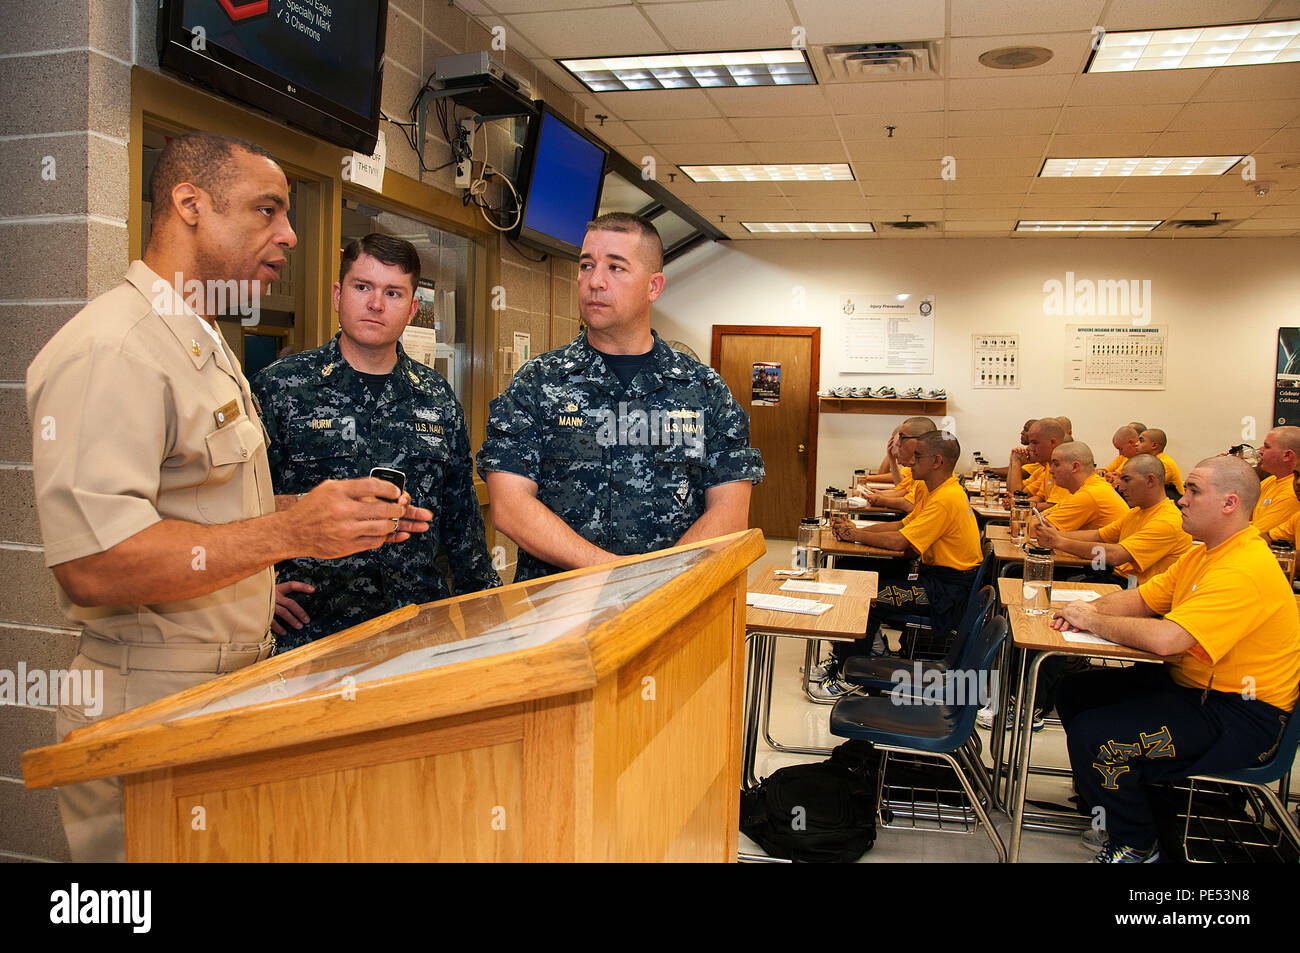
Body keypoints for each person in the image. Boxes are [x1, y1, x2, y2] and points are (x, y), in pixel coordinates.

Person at [25, 131, 431, 862]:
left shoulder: (200, 342)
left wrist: (314, 515)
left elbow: (200, 515)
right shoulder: (116, 349)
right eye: (268, 211)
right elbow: (93, 560)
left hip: (222, 690)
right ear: (190, 204)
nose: (291, 234)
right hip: (148, 703)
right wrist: (287, 534)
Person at [476, 212, 764, 582]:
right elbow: (510, 506)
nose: (595, 281)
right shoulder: (538, 383)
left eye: (616, 267)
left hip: (673, 608)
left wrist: (657, 582)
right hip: (557, 612)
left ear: (653, 286)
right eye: (586, 265)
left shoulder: (703, 390)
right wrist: (613, 573)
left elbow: (730, 510)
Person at [252, 234, 501, 649]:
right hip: (311, 635)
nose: (375, 304)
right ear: (337, 294)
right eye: (362, 287)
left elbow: (463, 528)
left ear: (412, 309)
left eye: (393, 292)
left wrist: (489, 624)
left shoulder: (437, 400)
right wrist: (251, 595)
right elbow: (242, 506)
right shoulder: (281, 388)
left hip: (418, 631)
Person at [1051, 455, 1299, 862]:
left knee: (1098, 736)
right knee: (1077, 690)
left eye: (1194, 491)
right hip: (1193, 688)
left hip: (1241, 714)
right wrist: (1080, 610)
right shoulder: (1206, 553)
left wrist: (1091, 617)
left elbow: (1169, 639)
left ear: (1229, 503)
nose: (1181, 499)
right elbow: (1142, 599)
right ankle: (1106, 802)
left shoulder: (1245, 567)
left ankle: (1136, 842)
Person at [821, 430, 982, 691]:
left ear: (937, 461)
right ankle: (861, 660)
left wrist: (856, 534)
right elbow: (902, 525)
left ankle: (851, 678)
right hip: (936, 580)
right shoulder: (939, 490)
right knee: (860, 583)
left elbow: (900, 542)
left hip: (946, 592)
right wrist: (855, 532)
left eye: (917, 456)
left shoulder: (945, 498)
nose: (909, 462)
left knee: (864, 601)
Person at [1032, 454, 1194, 586]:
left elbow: (1117, 555)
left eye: (1127, 480)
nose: (1120, 487)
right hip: (1114, 578)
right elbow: (1099, 536)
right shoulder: (1137, 512)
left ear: (1150, 480)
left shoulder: (1167, 520)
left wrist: (1059, 542)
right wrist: (1054, 536)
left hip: (1136, 592)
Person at [1030, 441, 1129, 535]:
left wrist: (1039, 519)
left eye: (1056, 464)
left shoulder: (1089, 494)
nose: (1051, 470)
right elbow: (1036, 520)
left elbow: (1035, 530)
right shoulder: (1089, 487)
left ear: (1075, 467)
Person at [860, 417, 937, 513]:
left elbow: (910, 504)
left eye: (900, 442)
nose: (898, 446)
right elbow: (905, 490)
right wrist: (879, 494)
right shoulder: (918, 469)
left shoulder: (928, 473)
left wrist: (881, 499)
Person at [1006, 418, 1069, 507]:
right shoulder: (1048, 467)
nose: (1029, 448)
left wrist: (1021, 505)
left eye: (1035, 443)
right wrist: (1018, 503)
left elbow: (1053, 506)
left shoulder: (1066, 469)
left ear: (1053, 442)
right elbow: (1040, 497)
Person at [1249, 426, 1300, 536]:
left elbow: (1256, 535)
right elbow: (1238, 519)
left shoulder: (1294, 492)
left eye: (1267, 447)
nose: (1260, 451)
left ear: (1287, 455)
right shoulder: (1270, 481)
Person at [1134, 427, 1184, 497]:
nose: (1136, 444)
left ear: (1154, 445)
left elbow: (1145, 486)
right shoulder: (1151, 461)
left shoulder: (1164, 464)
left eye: (1141, 441)